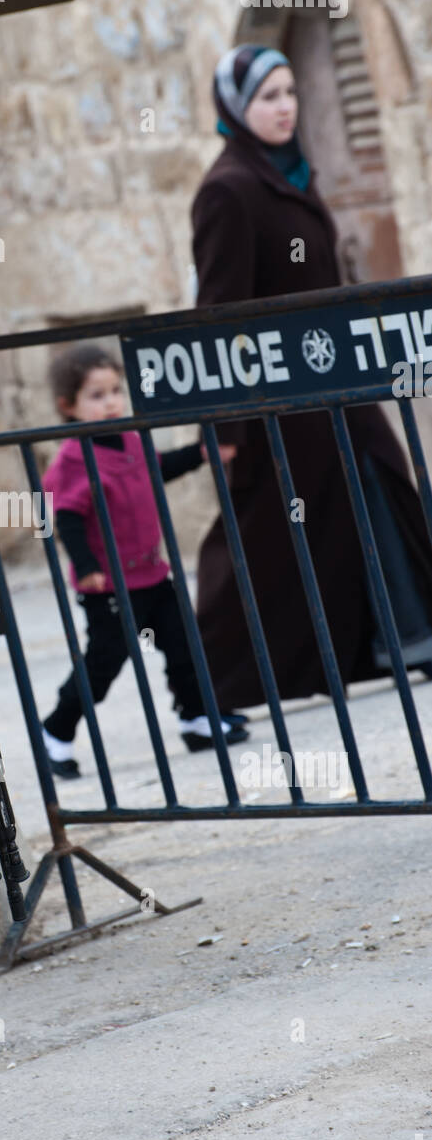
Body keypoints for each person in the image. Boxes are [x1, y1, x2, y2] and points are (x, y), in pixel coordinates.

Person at [192, 44, 432, 710]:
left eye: (289, 92)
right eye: (267, 96)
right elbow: (219, 314)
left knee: (381, 492)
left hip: (334, 384)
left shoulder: (291, 173)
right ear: (237, 107)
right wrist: (231, 423)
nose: (284, 107)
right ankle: (213, 682)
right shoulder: (228, 189)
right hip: (278, 404)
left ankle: (405, 637)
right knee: (273, 537)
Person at [39, 344, 248, 776]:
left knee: (183, 646)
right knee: (104, 662)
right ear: (69, 406)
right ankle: (56, 731)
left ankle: (196, 719)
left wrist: (200, 455)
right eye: (96, 395)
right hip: (108, 586)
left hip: (154, 575)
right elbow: (68, 518)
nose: (112, 401)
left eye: (115, 390)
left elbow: (156, 467)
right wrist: (88, 567)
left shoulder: (132, 439)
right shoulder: (74, 459)